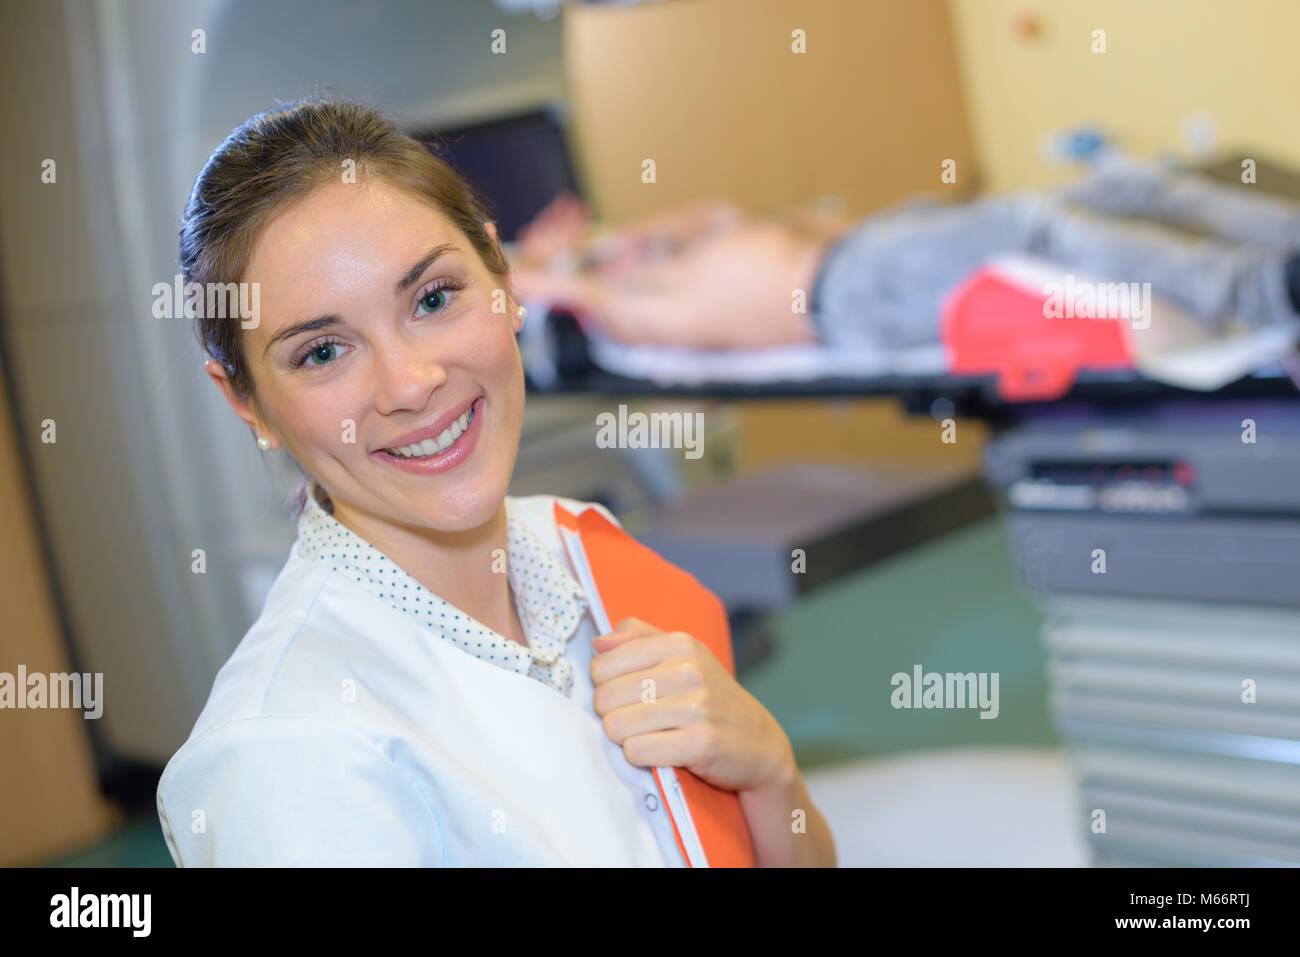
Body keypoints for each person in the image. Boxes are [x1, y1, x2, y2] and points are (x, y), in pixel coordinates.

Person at [156, 95, 836, 867]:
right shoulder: (289, 757)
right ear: (246, 402)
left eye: (433, 299)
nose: (410, 383)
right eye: (322, 352)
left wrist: (771, 771)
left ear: (503, 279)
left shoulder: (589, 550)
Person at [509, 157, 1300, 352]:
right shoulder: (638, 313)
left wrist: (608, 241)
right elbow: (565, 290)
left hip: (875, 242)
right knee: (1036, 222)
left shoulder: (666, 255)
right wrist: (549, 266)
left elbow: (714, 211)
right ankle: (1261, 293)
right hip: (852, 288)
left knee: (1126, 184)